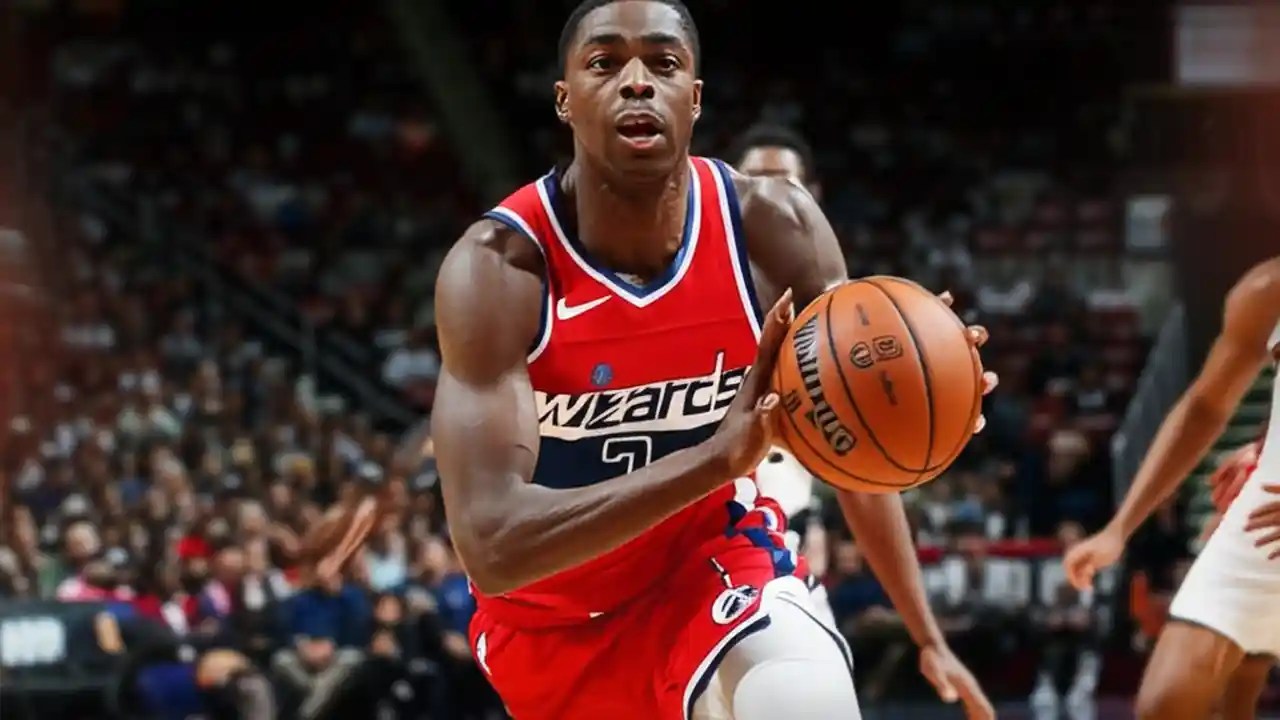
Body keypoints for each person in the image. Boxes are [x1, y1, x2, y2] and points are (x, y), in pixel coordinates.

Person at [429, 2, 999, 719]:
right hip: (550, 624)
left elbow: (849, 447)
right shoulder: (499, 271)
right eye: (605, 63)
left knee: (804, 697)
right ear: (564, 100)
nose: (637, 82)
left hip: (713, 567)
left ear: (694, 99)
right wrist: (716, 460)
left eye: (663, 64)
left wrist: (922, 393)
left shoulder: (773, 229)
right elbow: (492, 544)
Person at [1064, 256, 1280, 719]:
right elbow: (1205, 406)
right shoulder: (1268, 288)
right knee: (1167, 706)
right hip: (1268, 518)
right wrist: (1120, 528)